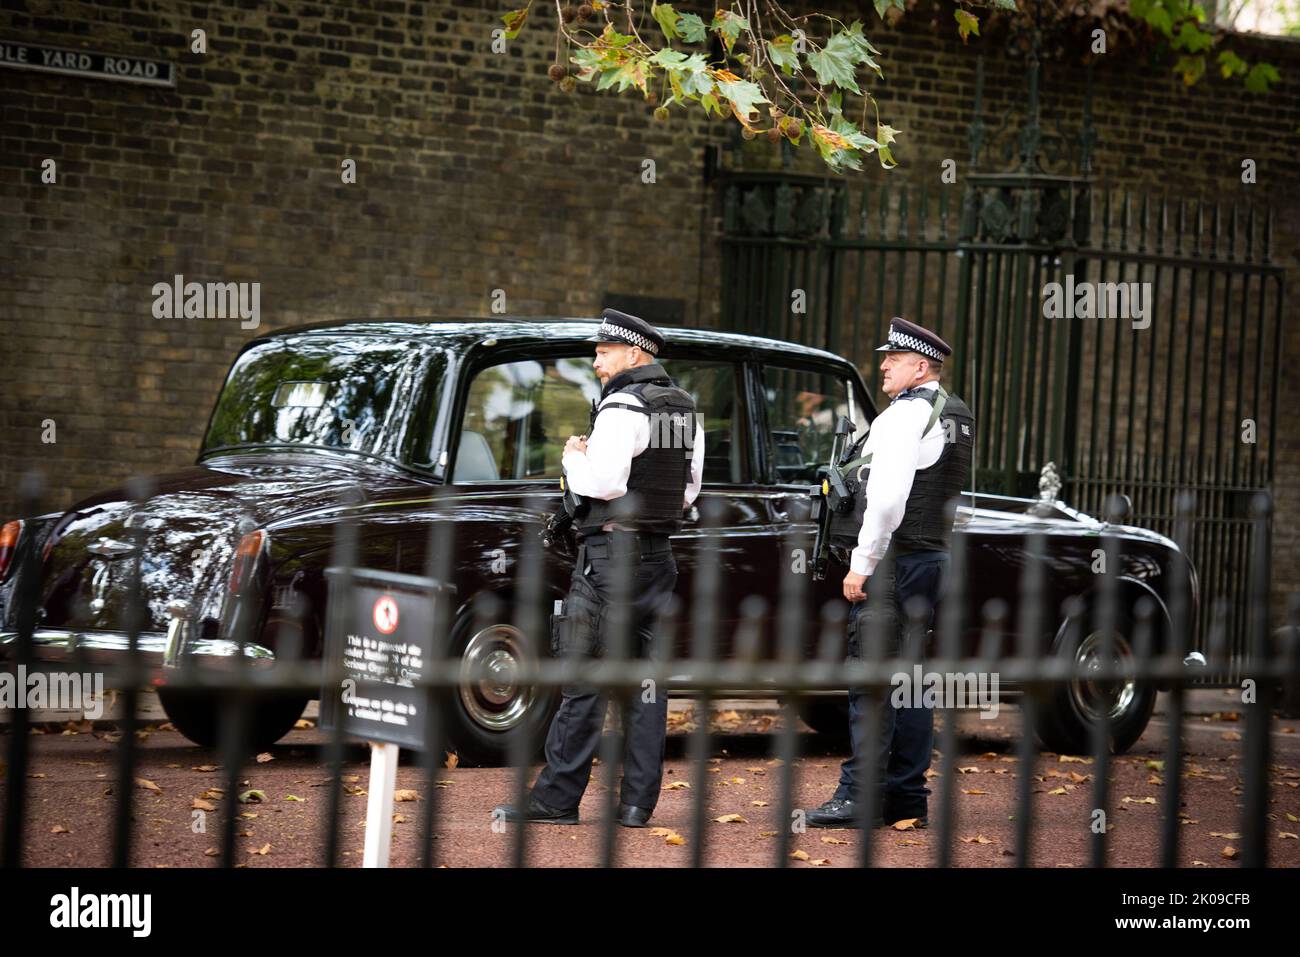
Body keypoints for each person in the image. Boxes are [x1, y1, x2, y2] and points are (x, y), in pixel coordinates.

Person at [493, 308, 704, 827]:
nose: (596, 362)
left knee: (582, 680)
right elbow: (690, 489)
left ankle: (556, 799)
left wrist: (571, 456)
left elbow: (604, 483)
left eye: (604, 352)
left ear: (634, 354)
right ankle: (635, 805)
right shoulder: (682, 408)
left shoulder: (623, 406)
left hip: (609, 561)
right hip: (659, 560)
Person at [806, 317, 975, 829]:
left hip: (894, 561)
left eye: (892, 359)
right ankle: (905, 798)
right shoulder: (956, 413)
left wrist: (862, 563)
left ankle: (859, 796)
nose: (882, 366)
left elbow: (886, 500)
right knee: (910, 681)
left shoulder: (903, 417)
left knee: (872, 680)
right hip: (930, 557)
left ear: (919, 365)